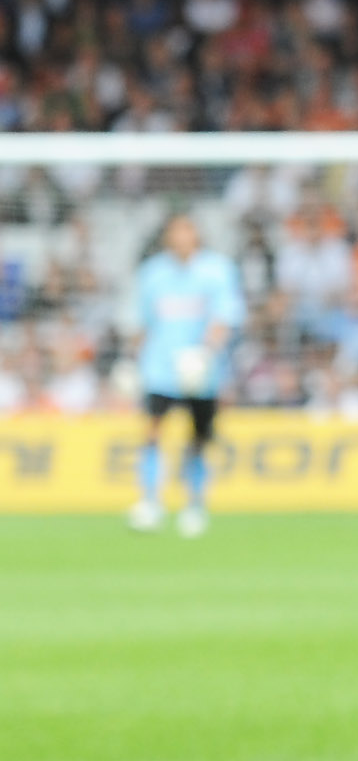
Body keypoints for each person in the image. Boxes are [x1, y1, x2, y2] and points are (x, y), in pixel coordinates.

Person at [128, 210, 244, 536]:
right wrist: (131, 358)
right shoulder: (152, 273)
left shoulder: (218, 270)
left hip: (202, 371)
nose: (180, 238)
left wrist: (204, 353)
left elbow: (225, 317)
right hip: (159, 368)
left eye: (186, 230)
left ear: (196, 234)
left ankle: (194, 505)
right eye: (175, 231)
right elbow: (142, 322)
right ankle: (150, 501)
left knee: (199, 437)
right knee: (152, 431)